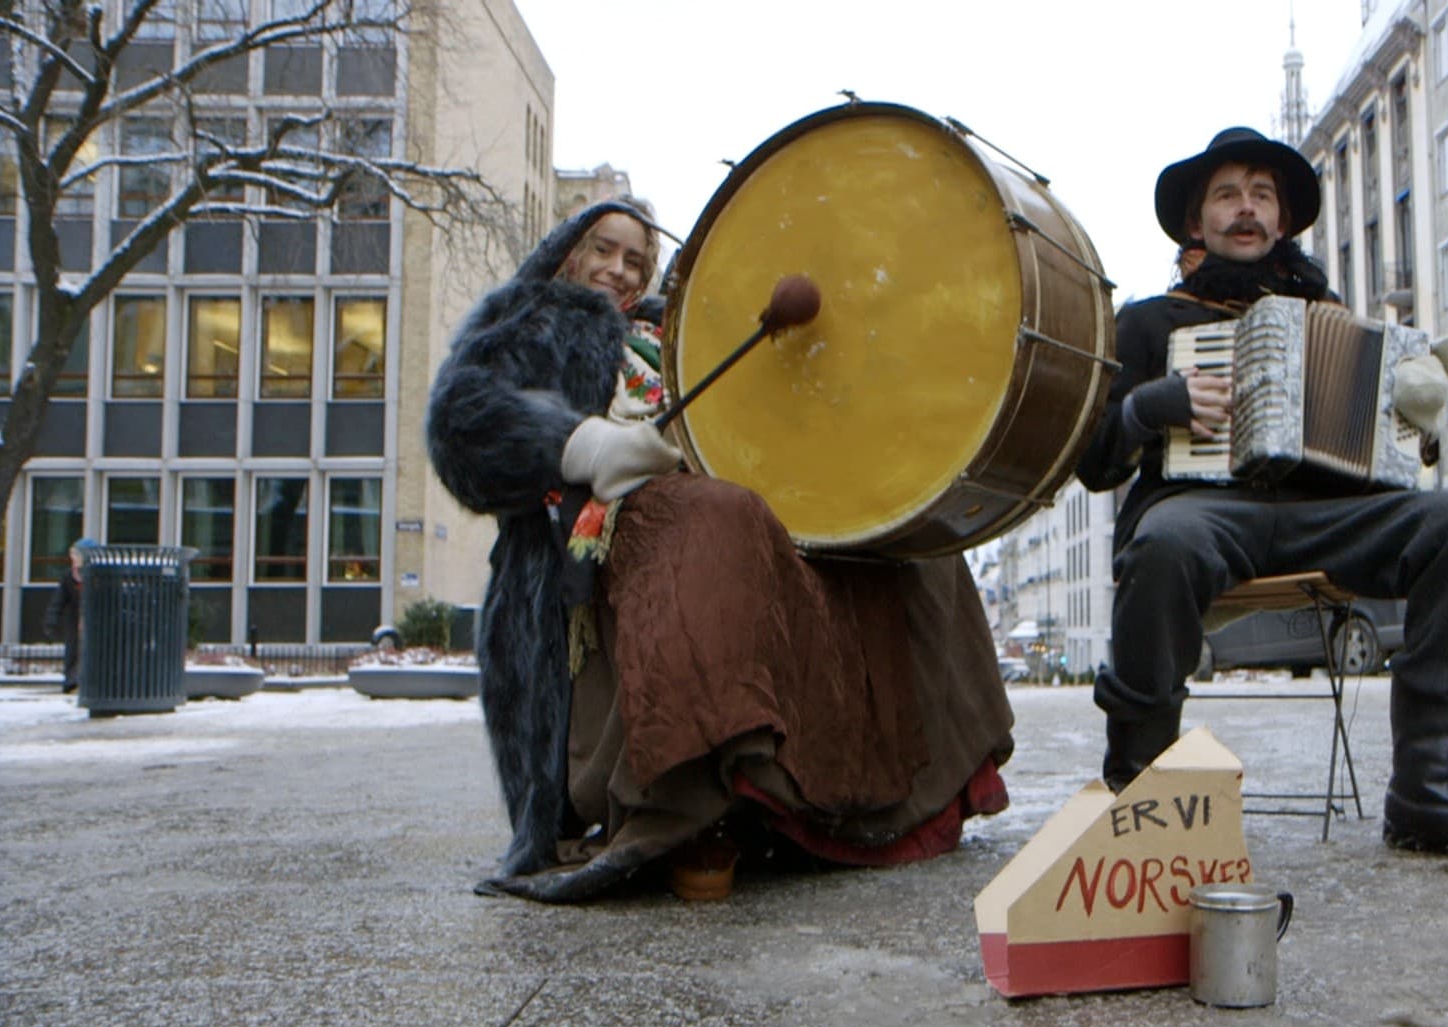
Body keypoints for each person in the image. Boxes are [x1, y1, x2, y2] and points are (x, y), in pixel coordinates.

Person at [427, 200, 1015, 902]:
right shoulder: (526, 319)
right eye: (603, 250)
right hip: (593, 537)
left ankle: (887, 798)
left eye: (635, 260)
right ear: (567, 254)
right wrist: (583, 443)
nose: (618, 270)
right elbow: (461, 416)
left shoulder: (682, 333)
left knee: (905, 541)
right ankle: (692, 805)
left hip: (736, 501)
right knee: (710, 517)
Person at [1074, 128, 1448, 863]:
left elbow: (1380, 447)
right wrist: (1147, 407)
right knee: (1164, 544)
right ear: (1195, 224)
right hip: (1206, 512)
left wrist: (1413, 425)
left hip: (1326, 513)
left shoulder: (1329, 315)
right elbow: (1095, 463)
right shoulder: (1149, 322)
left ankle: (1429, 790)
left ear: (1284, 220)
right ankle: (1138, 791)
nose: (1246, 210)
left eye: (1262, 196)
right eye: (1227, 195)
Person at [44, 538, 97, 693]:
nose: (73, 557)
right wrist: (51, 621)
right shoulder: (69, 576)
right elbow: (58, 600)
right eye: (72, 553)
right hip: (75, 620)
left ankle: (90, 680)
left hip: (94, 621)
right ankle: (71, 680)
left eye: (76, 554)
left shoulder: (98, 574)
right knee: (72, 650)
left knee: (91, 650)